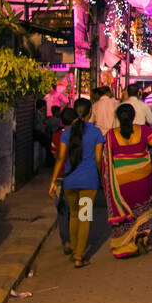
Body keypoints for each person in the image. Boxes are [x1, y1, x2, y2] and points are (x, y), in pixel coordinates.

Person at [102, 103, 152, 258]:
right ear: (133, 116)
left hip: (121, 181)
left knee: (126, 210)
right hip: (143, 178)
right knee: (144, 208)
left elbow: (105, 160)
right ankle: (142, 236)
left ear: (118, 117)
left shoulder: (110, 135)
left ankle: (125, 246)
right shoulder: (144, 130)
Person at [50, 100, 106, 267]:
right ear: (90, 113)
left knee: (74, 216)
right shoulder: (96, 133)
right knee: (85, 217)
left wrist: (53, 180)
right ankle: (79, 256)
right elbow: (98, 159)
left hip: (69, 181)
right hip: (89, 182)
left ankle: (75, 249)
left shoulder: (67, 133)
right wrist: (102, 177)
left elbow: (60, 158)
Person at [49, 107, 78, 256]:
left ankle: (66, 240)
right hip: (80, 179)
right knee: (81, 211)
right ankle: (79, 239)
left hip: (61, 178)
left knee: (63, 212)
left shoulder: (56, 136)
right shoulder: (81, 136)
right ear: (75, 120)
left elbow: (56, 156)